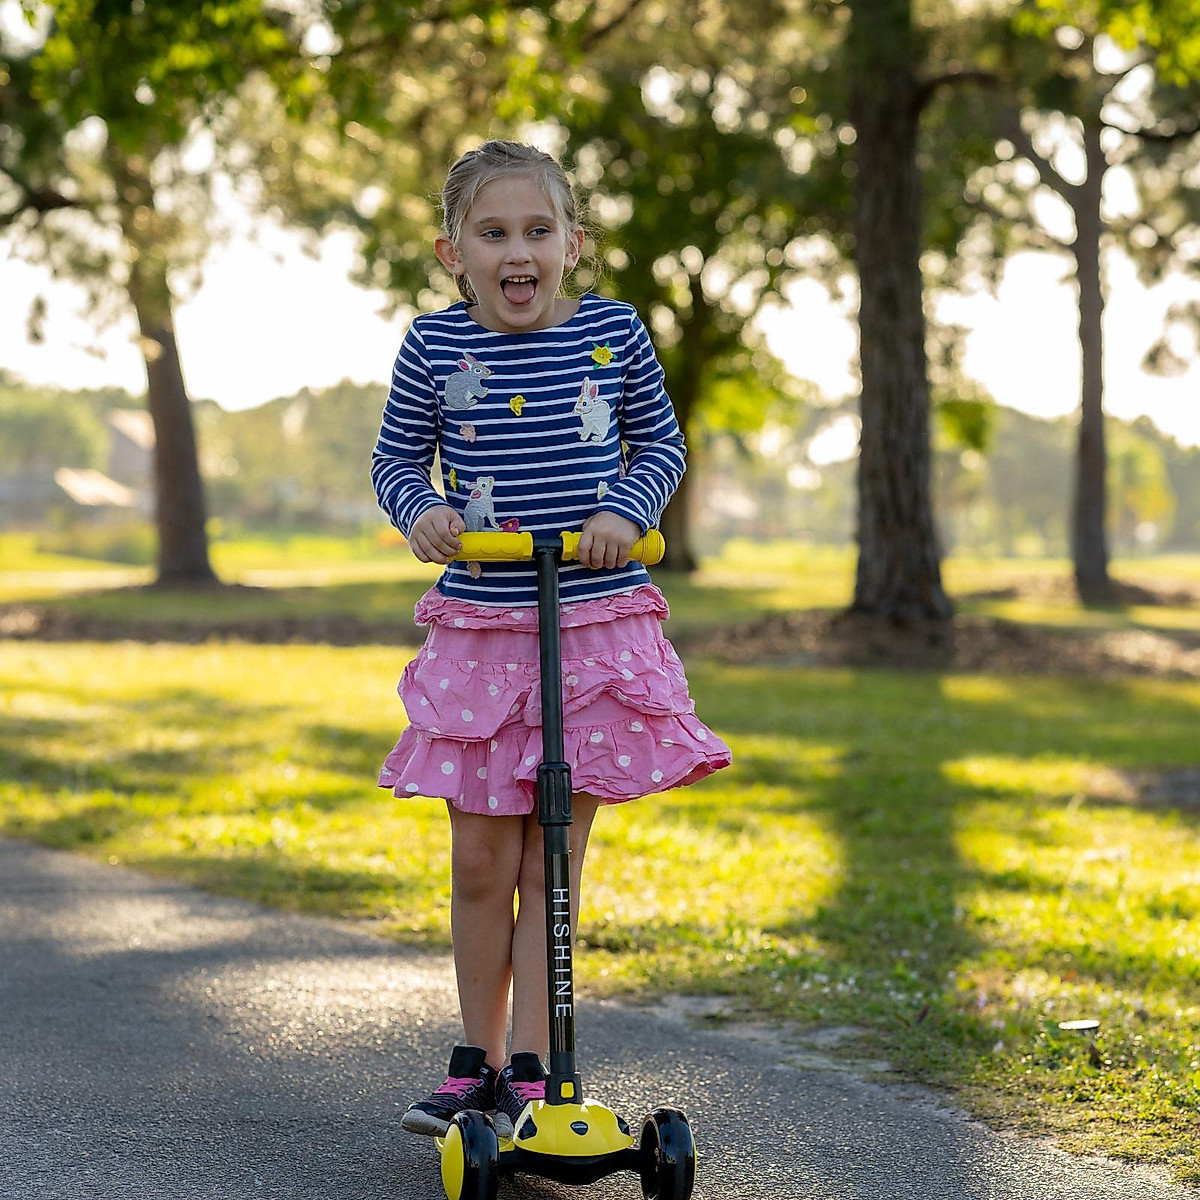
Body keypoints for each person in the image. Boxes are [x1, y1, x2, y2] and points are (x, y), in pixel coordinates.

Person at [371, 139, 731, 1139]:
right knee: (481, 860)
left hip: (589, 621)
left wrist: (625, 508)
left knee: (552, 861)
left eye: (538, 230)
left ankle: (534, 1066)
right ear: (455, 251)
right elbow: (396, 455)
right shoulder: (435, 348)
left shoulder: (612, 334)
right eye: (494, 233)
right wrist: (420, 513)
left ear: (574, 244)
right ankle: (475, 1063)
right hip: (483, 621)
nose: (516, 251)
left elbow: (660, 442)